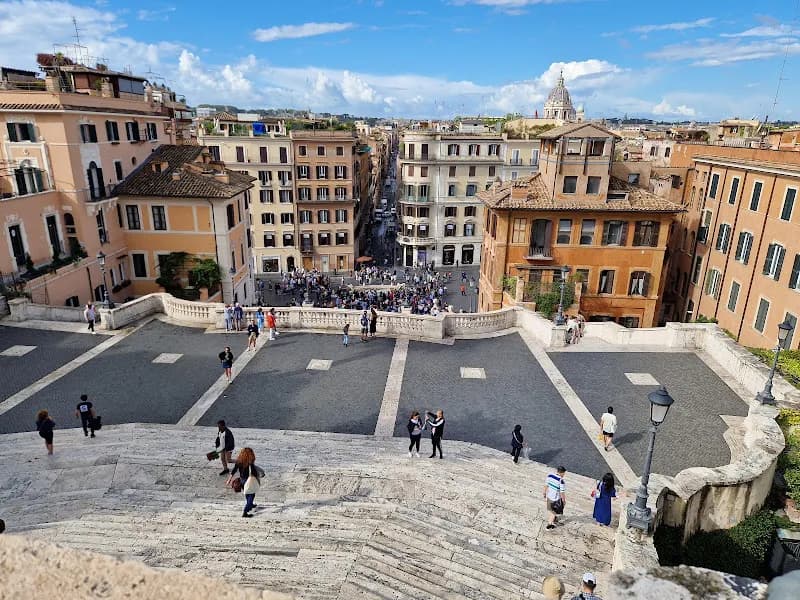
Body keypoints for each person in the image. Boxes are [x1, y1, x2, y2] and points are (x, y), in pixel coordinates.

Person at [228, 447, 262, 518]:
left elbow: (234, 470)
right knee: (252, 495)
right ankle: (245, 512)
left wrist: (229, 479)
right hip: (249, 480)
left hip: (242, 480)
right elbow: (254, 472)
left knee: (247, 493)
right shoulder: (250, 463)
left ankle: (251, 504)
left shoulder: (239, 461)